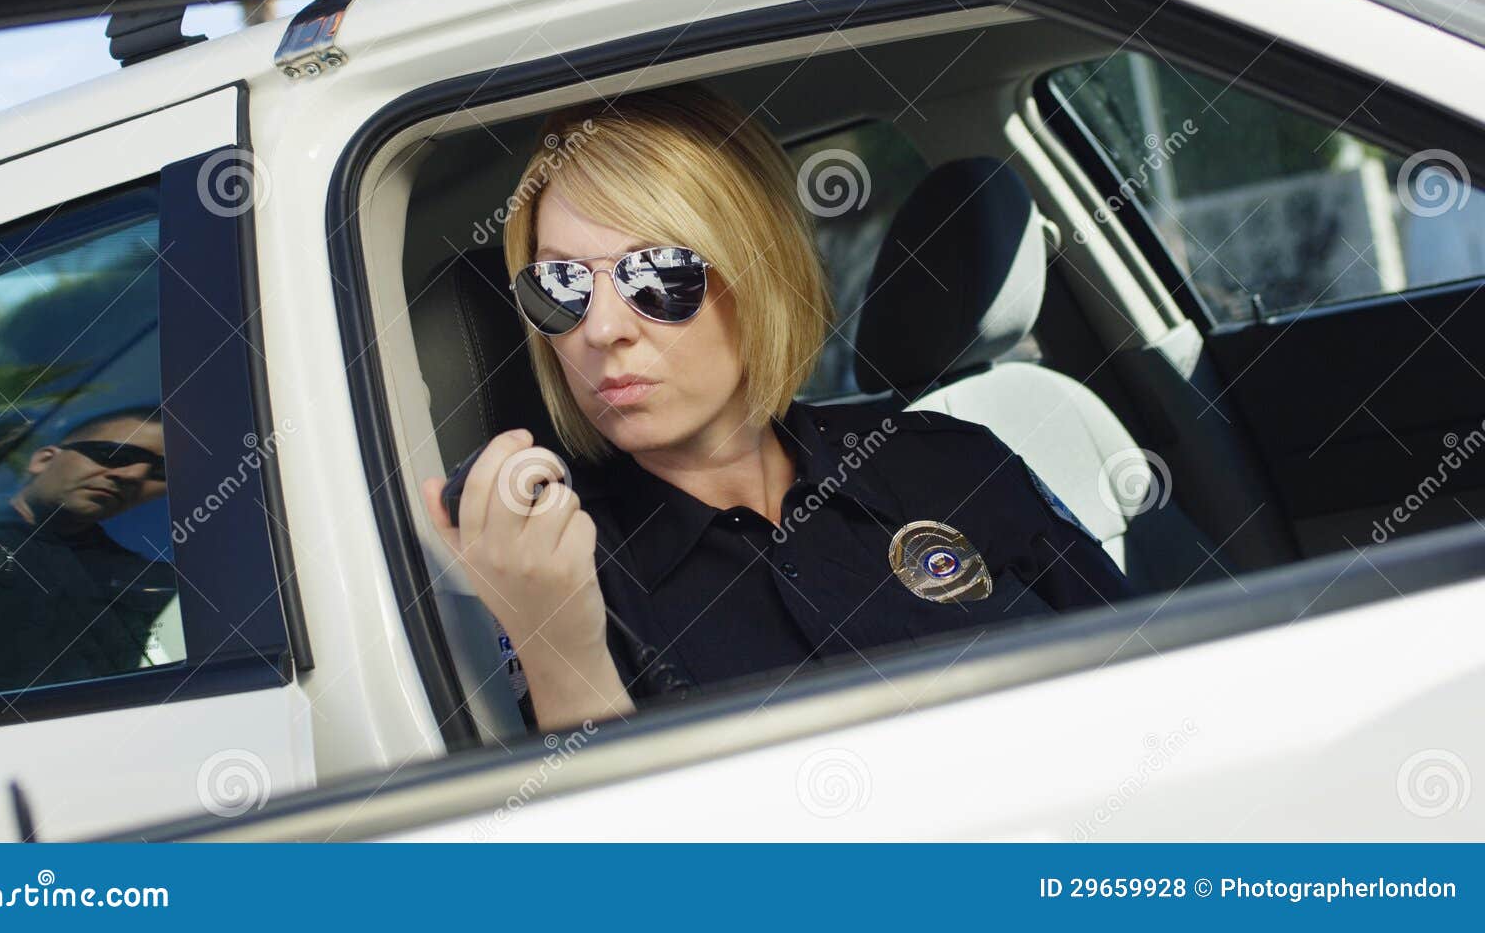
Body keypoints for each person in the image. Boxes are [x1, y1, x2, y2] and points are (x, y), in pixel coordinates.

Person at [420, 85, 1135, 732]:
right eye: (559, 284)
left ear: (758, 273)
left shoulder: (955, 464)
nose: (602, 329)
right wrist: (563, 654)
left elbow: (1159, 689)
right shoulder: (549, 571)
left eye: (659, 273)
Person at [0, 407, 175, 708]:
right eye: (114, 455)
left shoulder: (153, 585)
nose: (132, 475)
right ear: (44, 459)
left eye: (158, 473)